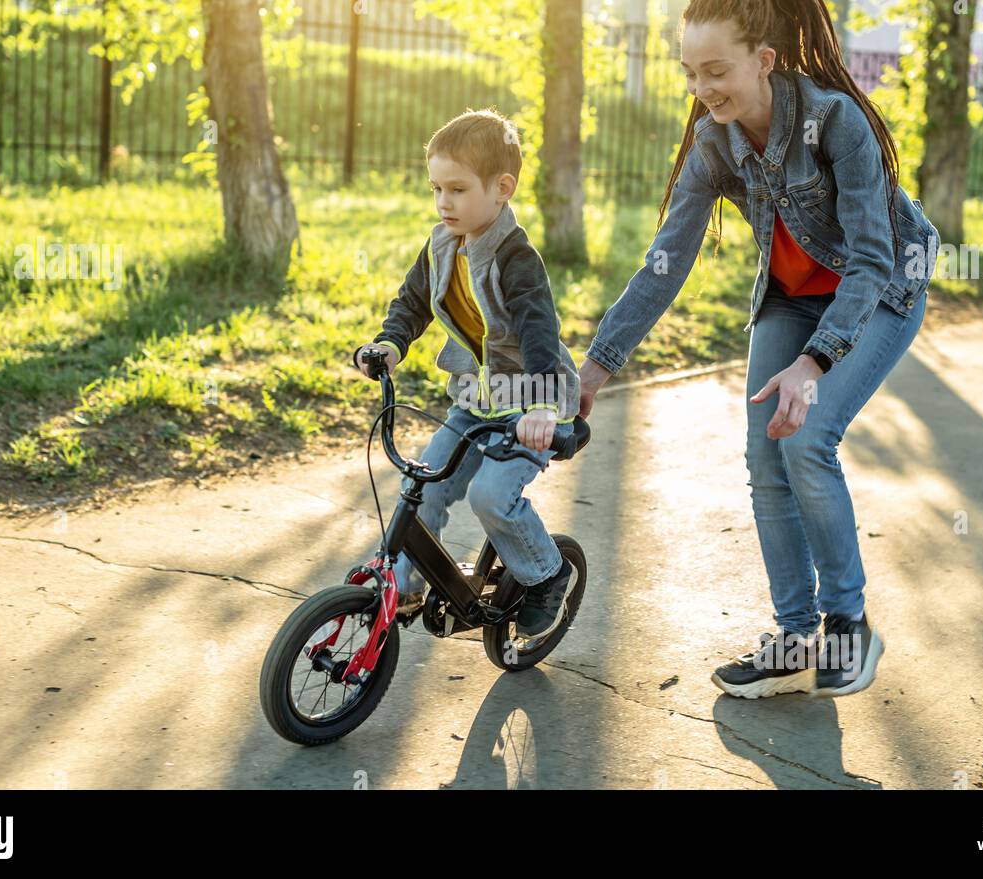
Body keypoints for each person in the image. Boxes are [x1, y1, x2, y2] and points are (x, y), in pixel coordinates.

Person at [577, 0, 940, 698]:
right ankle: (797, 637)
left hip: (885, 283)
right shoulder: (714, 140)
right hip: (791, 293)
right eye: (689, 73)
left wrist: (814, 363)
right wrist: (597, 364)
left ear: (764, 61)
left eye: (715, 71)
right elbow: (665, 262)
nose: (702, 88)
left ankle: (848, 624)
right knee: (762, 451)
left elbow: (867, 261)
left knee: (808, 440)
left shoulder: (837, 123)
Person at [352, 109, 581, 640]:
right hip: (475, 405)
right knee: (421, 484)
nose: (443, 202)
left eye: (457, 189)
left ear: (502, 188)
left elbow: (538, 331)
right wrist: (389, 344)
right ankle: (404, 588)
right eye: (436, 188)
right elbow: (412, 303)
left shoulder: (515, 257)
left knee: (489, 496)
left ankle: (547, 575)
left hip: (528, 402)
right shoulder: (440, 247)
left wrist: (543, 406)